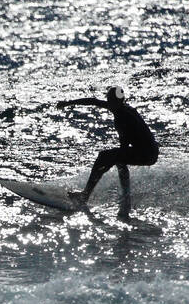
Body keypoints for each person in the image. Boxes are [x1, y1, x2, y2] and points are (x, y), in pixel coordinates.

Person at [56, 87, 158, 219]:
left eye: (110, 101)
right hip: (148, 151)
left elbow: (124, 147)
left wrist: (108, 163)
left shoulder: (124, 117)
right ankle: (126, 197)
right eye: (108, 100)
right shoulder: (118, 107)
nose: (107, 103)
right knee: (118, 159)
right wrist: (68, 103)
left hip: (147, 154)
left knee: (106, 157)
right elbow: (93, 101)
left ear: (118, 101)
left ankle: (85, 195)